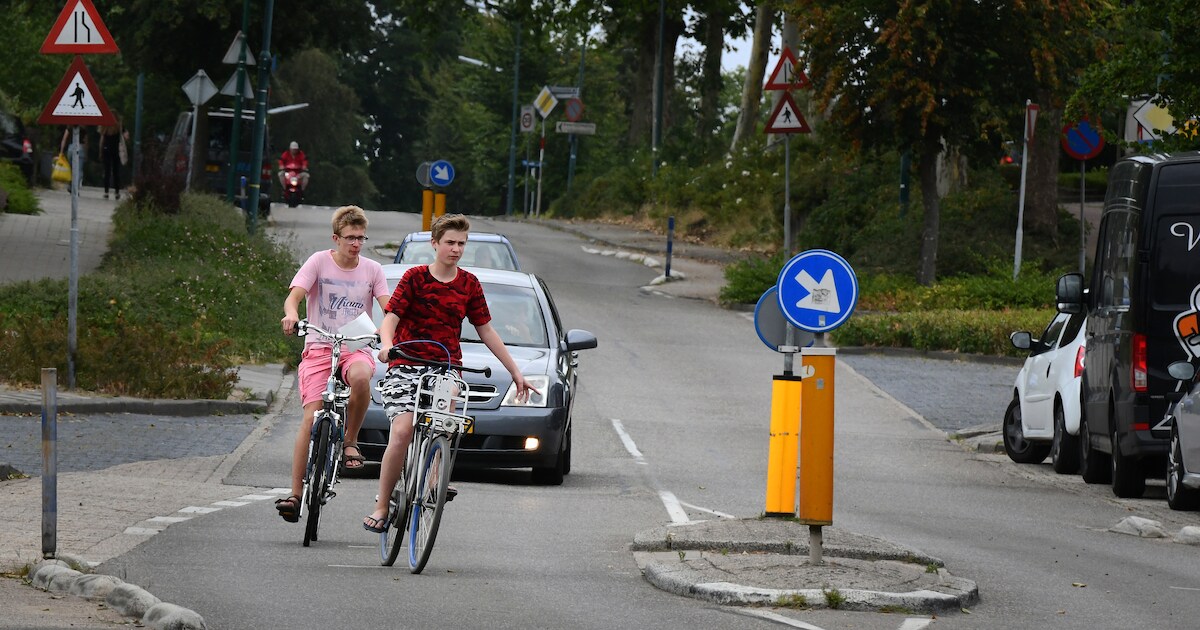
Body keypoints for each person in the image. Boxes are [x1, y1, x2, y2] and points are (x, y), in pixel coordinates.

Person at [364, 213, 536, 532]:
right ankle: (382, 505)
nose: (456, 249)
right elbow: (391, 318)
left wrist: (516, 372)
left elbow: (486, 330)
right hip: (406, 363)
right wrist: (386, 346)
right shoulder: (415, 277)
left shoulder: (469, 284)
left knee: (445, 418)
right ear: (435, 244)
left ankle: (433, 481)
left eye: (461, 244)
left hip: (446, 367)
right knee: (401, 432)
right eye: (450, 243)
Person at [276, 205, 389, 523]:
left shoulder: (372, 270)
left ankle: (351, 441)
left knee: (363, 376)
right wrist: (292, 314)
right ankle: (296, 495)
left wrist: (387, 328)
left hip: (355, 345)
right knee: (311, 417)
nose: (356, 244)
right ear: (336, 238)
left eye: (361, 238)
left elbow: (387, 306)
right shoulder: (318, 262)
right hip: (320, 345)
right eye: (350, 238)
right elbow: (294, 296)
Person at [98, 115, 126, 199]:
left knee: (107, 171)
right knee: (116, 172)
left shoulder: (105, 128)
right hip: (116, 151)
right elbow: (125, 136)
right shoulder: (118, 128)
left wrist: (100, 152)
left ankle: (106, 192)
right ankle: (117, 192)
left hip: (106, 150)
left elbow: (101, 141)